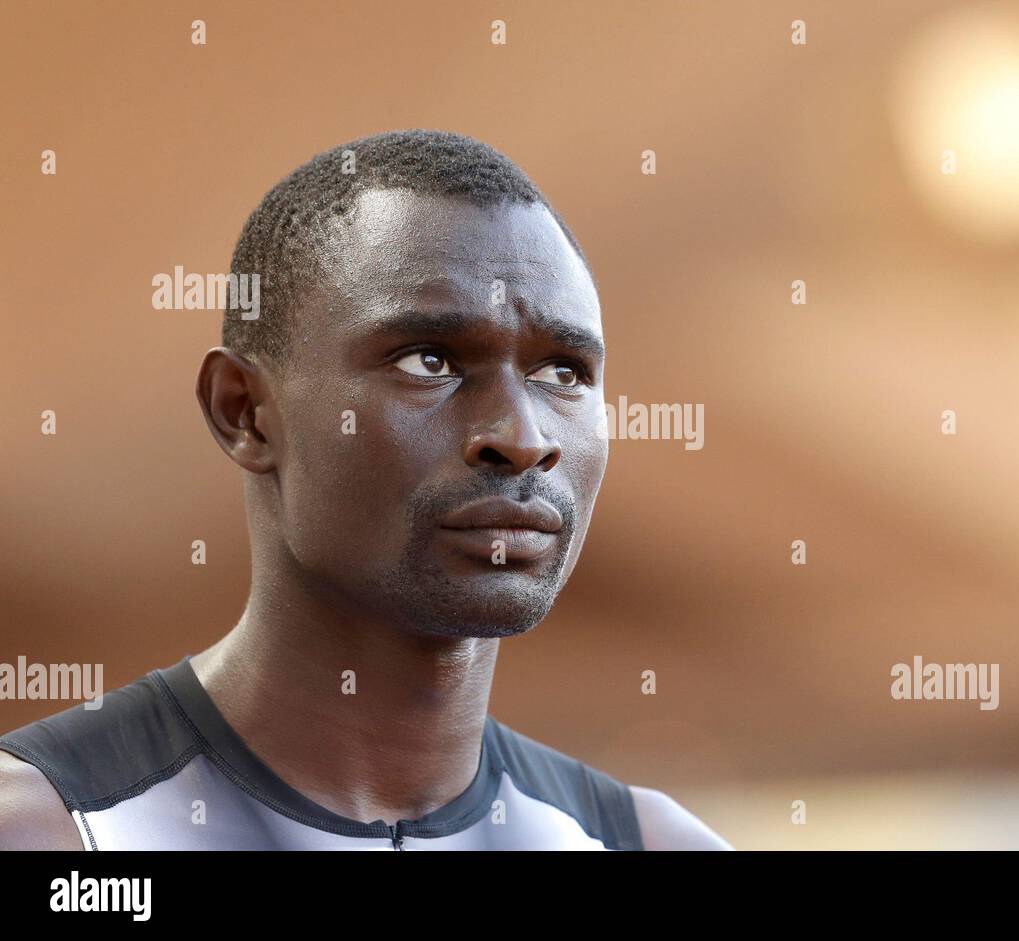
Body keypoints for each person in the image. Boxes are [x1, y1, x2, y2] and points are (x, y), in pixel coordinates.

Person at [0, 129, 732, 851]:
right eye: (429, 359)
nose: (523, 435)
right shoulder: (53, 830)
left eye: (562, 372)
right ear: (244, 412)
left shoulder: (649, 843)